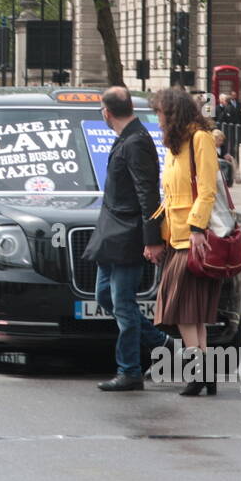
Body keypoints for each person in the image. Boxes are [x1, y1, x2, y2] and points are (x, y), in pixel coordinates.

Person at [83, 87, 173, 391]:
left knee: (122, 303)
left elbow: (148, 194)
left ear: (107, 112)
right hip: (112, 234)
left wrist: (152, 239)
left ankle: (130, 370)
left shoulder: (136, 142)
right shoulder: (129, 137)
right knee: (104, 296)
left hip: (128, 235)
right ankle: (164, 344)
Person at [147, 87, 221, 397]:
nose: (158, 120)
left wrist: (196, 229)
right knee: (191, 312)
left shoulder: (199, 140)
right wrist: (154, 234)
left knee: (182, 309)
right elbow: (170, 197)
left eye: (161, 114)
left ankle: (199, 371)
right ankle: (206, 373)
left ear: (173, 114)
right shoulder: (174, 146)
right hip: (176, 237)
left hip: (193, 237)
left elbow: (206, 191)